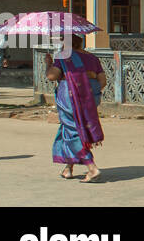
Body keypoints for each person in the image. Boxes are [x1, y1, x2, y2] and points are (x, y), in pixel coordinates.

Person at [45, 35, 106, 183]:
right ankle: (68, 168)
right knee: (69, 128)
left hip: (70, 99)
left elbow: (52, 76)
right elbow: (102, 81)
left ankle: (91, 167)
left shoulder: (64, 56)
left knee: (73, 130)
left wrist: (48, 64)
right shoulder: (92, 58)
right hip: (90, 99)